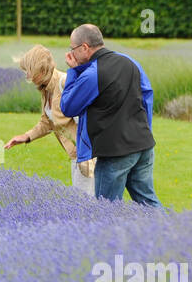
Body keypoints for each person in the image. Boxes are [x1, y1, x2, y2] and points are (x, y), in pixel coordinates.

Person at [59, 23, 161, 207]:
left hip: (114, 153)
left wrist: (74, 72)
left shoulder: (92, 74)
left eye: (72, 49)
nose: (71, 54)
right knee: (149, 204)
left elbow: (68, 107)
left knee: (107, 211)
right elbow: (147, 95)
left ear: (84, 48)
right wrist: (146, 130)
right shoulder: (130, 62)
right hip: (144, 145)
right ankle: (174, 233)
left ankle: (107, 237)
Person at [3, 45, 95, 196]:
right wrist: (26, 137)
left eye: (29, 71)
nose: (27, 76)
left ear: (43, 70)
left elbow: (91, 114)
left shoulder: (65, 82)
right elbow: (47, 122)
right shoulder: (46, 90)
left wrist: (86, 152)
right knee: (83, 203)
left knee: (86, 205)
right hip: (76, 156)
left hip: (87, 156)